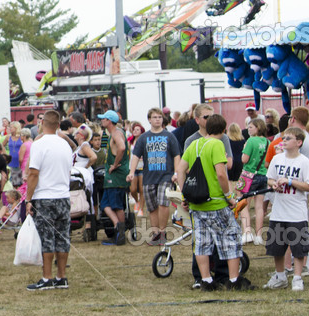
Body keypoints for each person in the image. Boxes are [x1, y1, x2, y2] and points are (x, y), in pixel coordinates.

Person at [175, 114, 249, 290]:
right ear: (223, 130)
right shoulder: (217, 144)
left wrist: (185, 194)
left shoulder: (194, 144)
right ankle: (234, 280)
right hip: (215, 201)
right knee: (231, 238)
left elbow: (180, 170)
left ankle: (206, 280)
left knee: (202, 242)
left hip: (197, 203)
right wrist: (229, 196)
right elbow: (221, 174)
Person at [25, 111, 74, 290]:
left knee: (46, 238)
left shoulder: (39, 144)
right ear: (58, 125)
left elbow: (33, 173)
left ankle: (47, 277)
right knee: (62, 237)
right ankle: (62, 276)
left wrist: (28, 198)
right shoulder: (65, 145)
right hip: (63, 195)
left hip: (45, 196)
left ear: (42, 123)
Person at [263, 128, 309, 291]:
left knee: (299, 248)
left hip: (296, 213)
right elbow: (269, 179)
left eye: (288, 138)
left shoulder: (303, 162)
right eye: (283, 138)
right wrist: (274, 184)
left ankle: (297, 278)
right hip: (278, 212)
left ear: (298, 142)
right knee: (277, 247)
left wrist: (290, 181)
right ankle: (280, 276)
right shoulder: (277, 159)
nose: (284, 141)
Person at [127, 108, 180, 245]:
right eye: (155, 117)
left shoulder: (169, 136)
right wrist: (132, 172)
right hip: (149, 176)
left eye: (160, 117)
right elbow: (135, 156)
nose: (157, 119)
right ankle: (156, 233)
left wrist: (176, 173)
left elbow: (176, 155)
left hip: (166, 175)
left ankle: (162, 232)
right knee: (152, 207)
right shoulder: (144, 138)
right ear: (149, 120)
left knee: (163, 203)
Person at [98, 110, 129, 246]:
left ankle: (120, 234)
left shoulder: (116, 133)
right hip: (114, 176)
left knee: (116, 206)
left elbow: (121, 148)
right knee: (105, 204)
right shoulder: (116, 132)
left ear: (109, 121)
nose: (101, 121)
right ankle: (118, 227)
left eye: (103, 119)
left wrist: (115, 165)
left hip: (116, 175)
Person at [239, 118, 270, 245]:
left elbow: (244, 159)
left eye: (251, 127)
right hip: (263, 174)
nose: (248, 129)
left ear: (258, 127)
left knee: (243, 204)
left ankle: (247, 232)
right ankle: (258, 235)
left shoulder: (251, 141)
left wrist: (244, 149)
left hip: (248, 175)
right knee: (259, 206)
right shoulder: (267, 142)